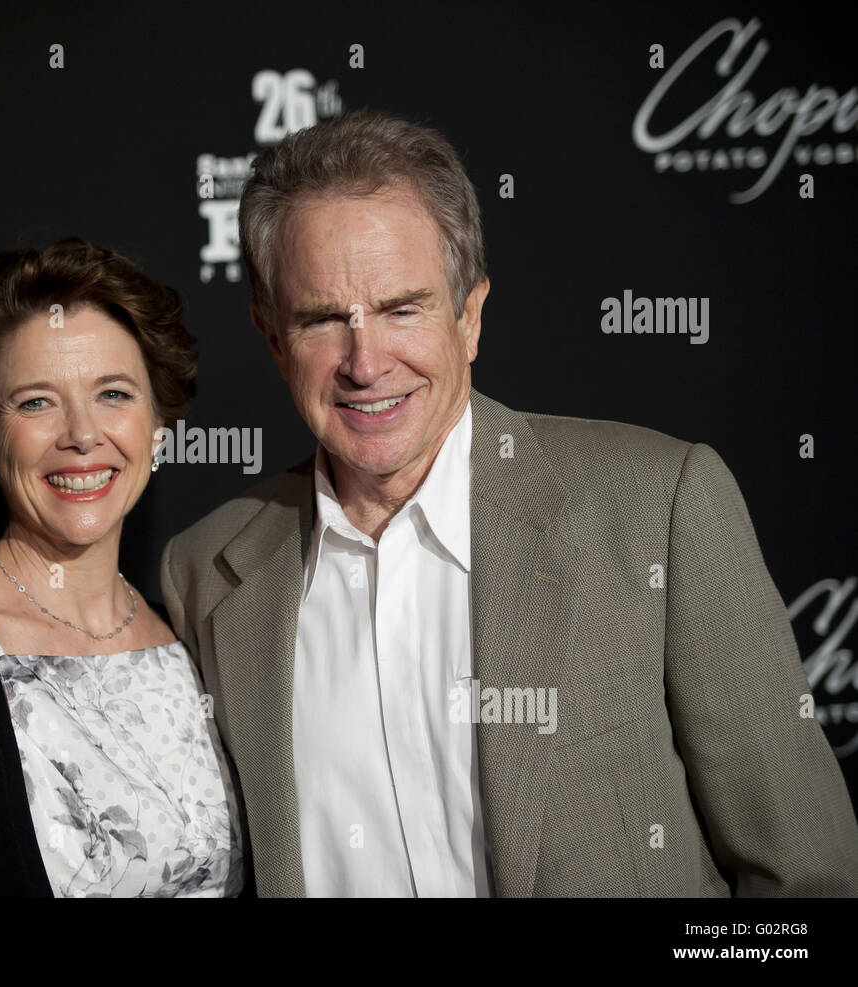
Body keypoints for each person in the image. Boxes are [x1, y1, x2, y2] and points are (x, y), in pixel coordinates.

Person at [159, 109, 858, 897]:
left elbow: (807, 880)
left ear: (470, 316)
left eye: (402, 308)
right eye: (323, 319)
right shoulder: (205, 574)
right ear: (271, 337)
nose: (365, 361)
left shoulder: (658, 505)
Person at [0, 237, 248, 897]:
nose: (82, 434)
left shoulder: (193, 629)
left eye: (114, 393)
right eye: (37, 401)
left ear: (159, 425)